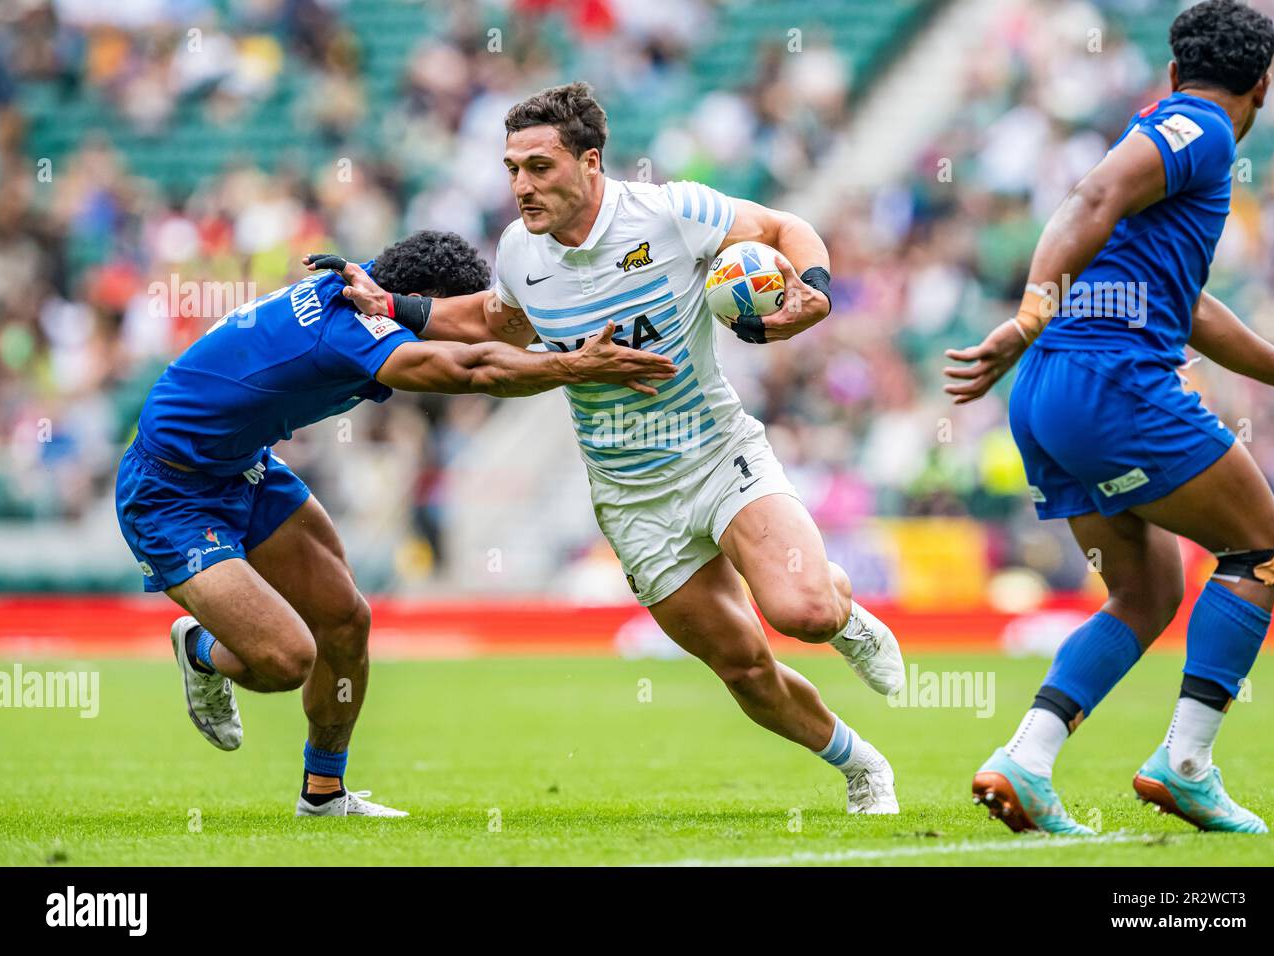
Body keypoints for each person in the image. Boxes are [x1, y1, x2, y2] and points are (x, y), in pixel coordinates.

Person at [311, 82, 905, 814]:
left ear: (590, 163)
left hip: (719, 456)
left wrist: (813, 288)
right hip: (630, 497)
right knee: (746, 668)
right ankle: (863, 767)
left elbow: (784, 227)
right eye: (512, 169)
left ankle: (845, 617)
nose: (521, 185)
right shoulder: (519, 251)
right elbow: (502, 323)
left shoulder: (670, 212)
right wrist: (393, 307)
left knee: (805, 611)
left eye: (539, 166)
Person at [115, 230, 677, 817]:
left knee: (346, 619)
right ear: (420, 298)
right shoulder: (353, 329)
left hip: (244, 467)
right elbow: (475, 367)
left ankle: (324, 793)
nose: (451, 323)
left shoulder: (367, 284)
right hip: (168, 489)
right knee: (285, 660)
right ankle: (202, 650)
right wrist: (577, 367)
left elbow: (478, 331)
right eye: (444, 313)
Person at [944, 0, 1274, 834]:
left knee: (1146, 591)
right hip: (1110, 381)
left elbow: (1193, 309)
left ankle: (1025, 759)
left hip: (1052, 394)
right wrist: (1027, 315)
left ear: (1173, 68)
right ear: (1265, 89)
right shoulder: (1199, 128)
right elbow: (1089, 195)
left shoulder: (1172, 154)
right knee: (1262, 546)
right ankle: (1188, 762)